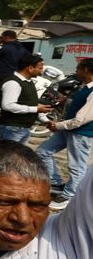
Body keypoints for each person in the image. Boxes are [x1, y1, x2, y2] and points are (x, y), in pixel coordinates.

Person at [39, 58, 93, 211]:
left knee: (76, 166)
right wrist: (63, 100)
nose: (76, 71)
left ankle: (70, 196)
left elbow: (80, 120)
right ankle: (56, 182)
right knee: (43, 151)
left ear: (87, 70)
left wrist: (57, 125)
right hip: (68, 130)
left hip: (80, 133)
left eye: (78, 68)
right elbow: (77, 105)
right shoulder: (84, 87)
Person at [0, 52, 50, 143]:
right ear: (30, 68)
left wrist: (45, 120)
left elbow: (28, 102)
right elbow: (8, 105)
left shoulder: (29, 82)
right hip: (12, 128)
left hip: (23, 128)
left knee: (19, 156)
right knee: (8, 156)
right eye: (40, 68)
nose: (41, 71)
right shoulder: (13, 83)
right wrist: (35, 109)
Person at [0, 29, 30, 124]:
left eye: (2, 37)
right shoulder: (23, 49)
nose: (1, 39)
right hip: (15, 77)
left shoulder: (4, 47)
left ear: (6, 37)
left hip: (0, 75)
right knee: (9, 98)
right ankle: (4, 118)